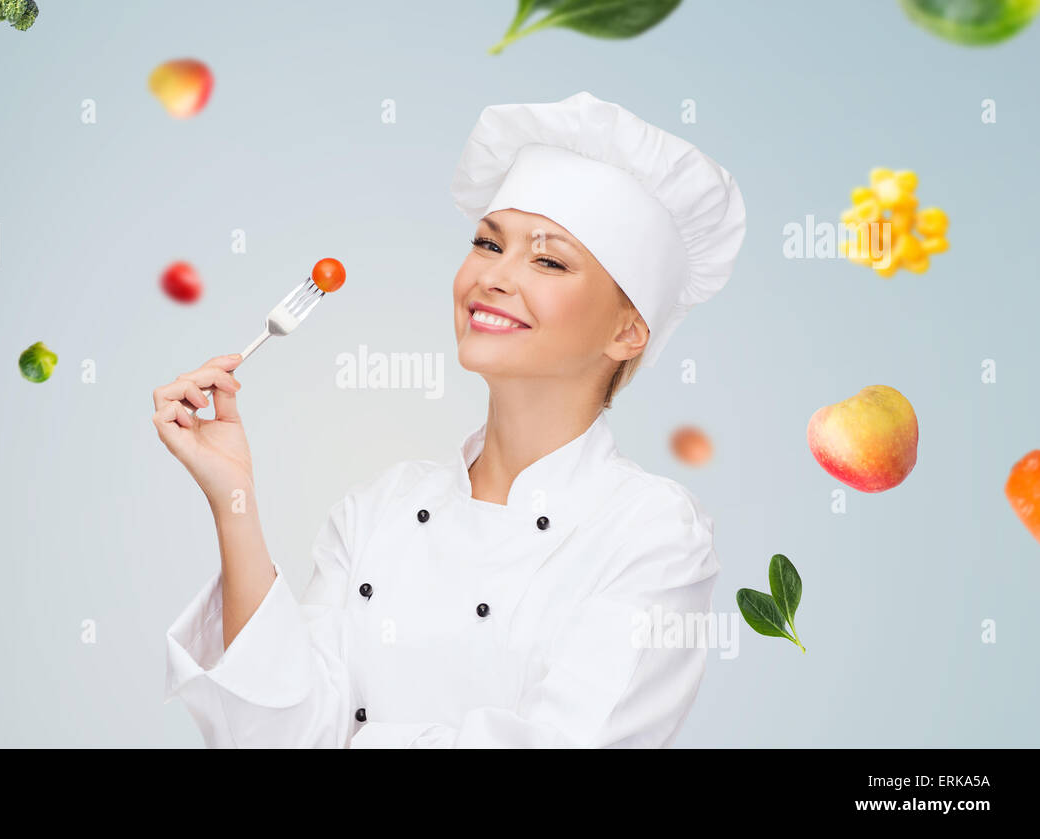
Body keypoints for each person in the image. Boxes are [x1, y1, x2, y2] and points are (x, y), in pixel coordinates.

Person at [152, 91, 747, 747]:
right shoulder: (379, 508)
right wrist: (233, 496)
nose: (493, 276)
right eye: (487, 244)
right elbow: (271, 735)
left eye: (547, 259)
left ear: (628, 330)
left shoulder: (652, 533)